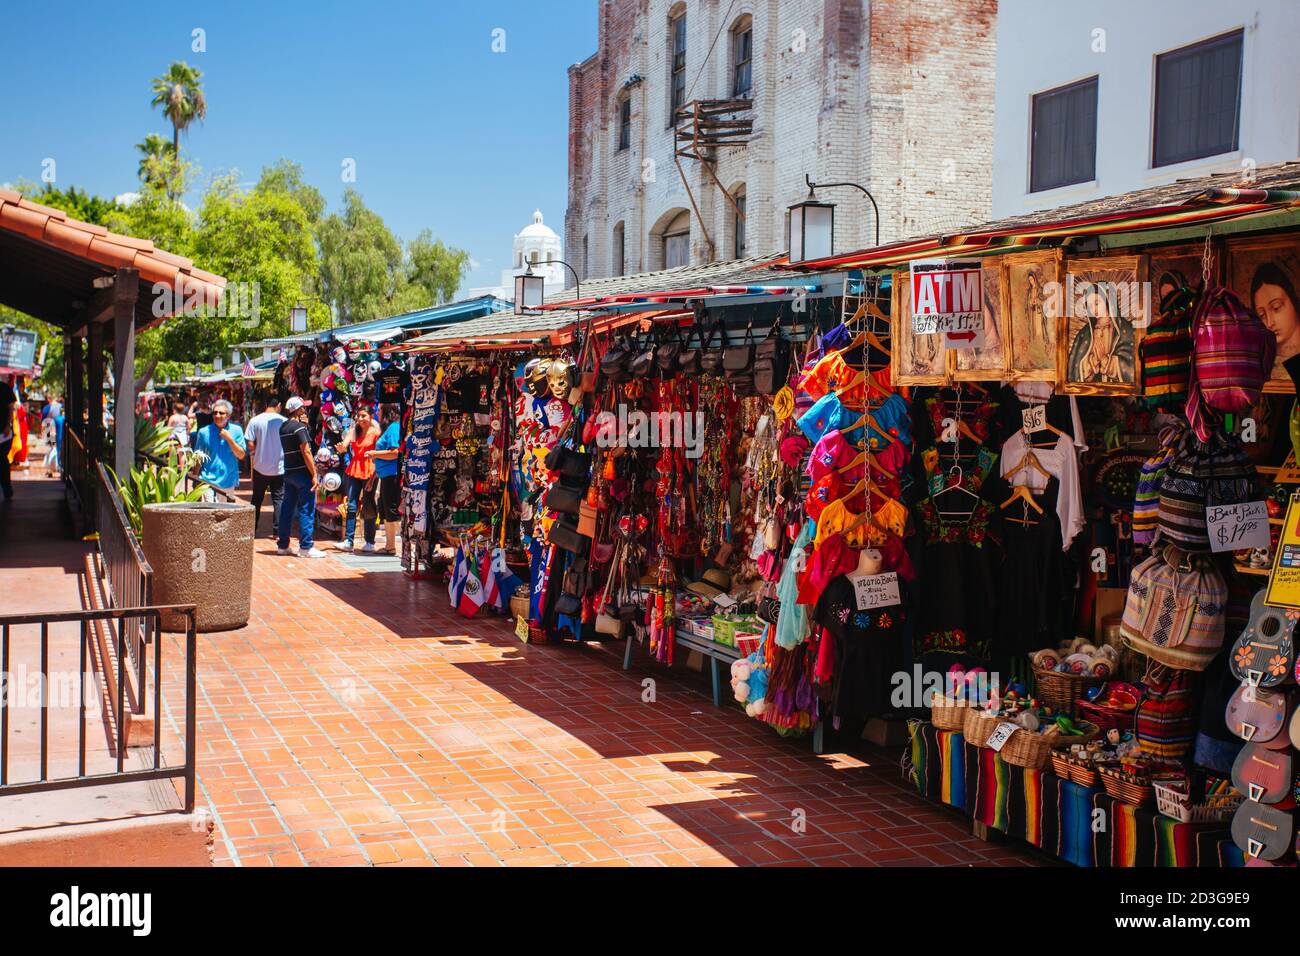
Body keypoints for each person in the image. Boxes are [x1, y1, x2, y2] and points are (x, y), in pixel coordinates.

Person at [277, 396, 326, 558]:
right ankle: (306, 547)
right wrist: (314, 474)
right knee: (306, 509)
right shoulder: (299, 428)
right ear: (297, 410)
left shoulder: (283, 427)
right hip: (302, 474)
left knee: (287, 509)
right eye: (303, 407)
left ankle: (282, 545)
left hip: (289, 472)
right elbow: (306, 451)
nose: (305, 410)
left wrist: (304, 426)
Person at [334, 405, 382, 551]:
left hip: (370, 469)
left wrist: (374, 476)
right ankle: (349, 541)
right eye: (358, 416)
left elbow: (379, 453)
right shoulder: (354, 430)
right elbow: (345, 443)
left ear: (371, 416)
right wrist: (342, 448)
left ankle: (370, 541)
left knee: (368, 504)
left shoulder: (376, 432)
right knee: (352, 505)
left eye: (363, 416)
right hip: (355, 468)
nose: (360, 419)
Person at [245, 394, 286, 539]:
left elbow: (249, 443)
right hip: (279, 467)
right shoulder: (284, 421)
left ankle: (252, 529)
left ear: (266, 405)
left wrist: (256, 452)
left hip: (259, 466)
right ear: (279, 405)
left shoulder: (255, 420)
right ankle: (278, 532)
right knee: (279, 499)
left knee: (256, 498)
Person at [1251, 262, 1300, 375]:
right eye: (1261, 315)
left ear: (1294, 300)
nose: (1269, 322)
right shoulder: (1262, 366)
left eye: (1276, 308)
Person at [368, 403, 404, 555]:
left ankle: (406, 545)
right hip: (385, 475)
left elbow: (395, 452)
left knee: (392, 510)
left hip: (392, 475)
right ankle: (390, 546)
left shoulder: (394, 427)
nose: (377, 412)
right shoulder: (388, 429)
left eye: (380, 410)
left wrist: (374, 454)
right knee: (385, 510)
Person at [192, 399, 247, 497]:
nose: (217, 415)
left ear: (228, 416)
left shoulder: (237, 430)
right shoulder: (203, 432)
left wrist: (229, 439)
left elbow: (241, 455)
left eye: (221, 413)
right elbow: (198, 457)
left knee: (226, 512)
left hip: (229, 482)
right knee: (212, 512)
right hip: (208, 481)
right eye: (215, 413)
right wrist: (195, 478)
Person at [0, 377, 15, 501]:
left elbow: (11, 408)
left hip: (4, 433)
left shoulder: (5, 388)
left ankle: (6, 488)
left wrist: (7, 425)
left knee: (2, 459)